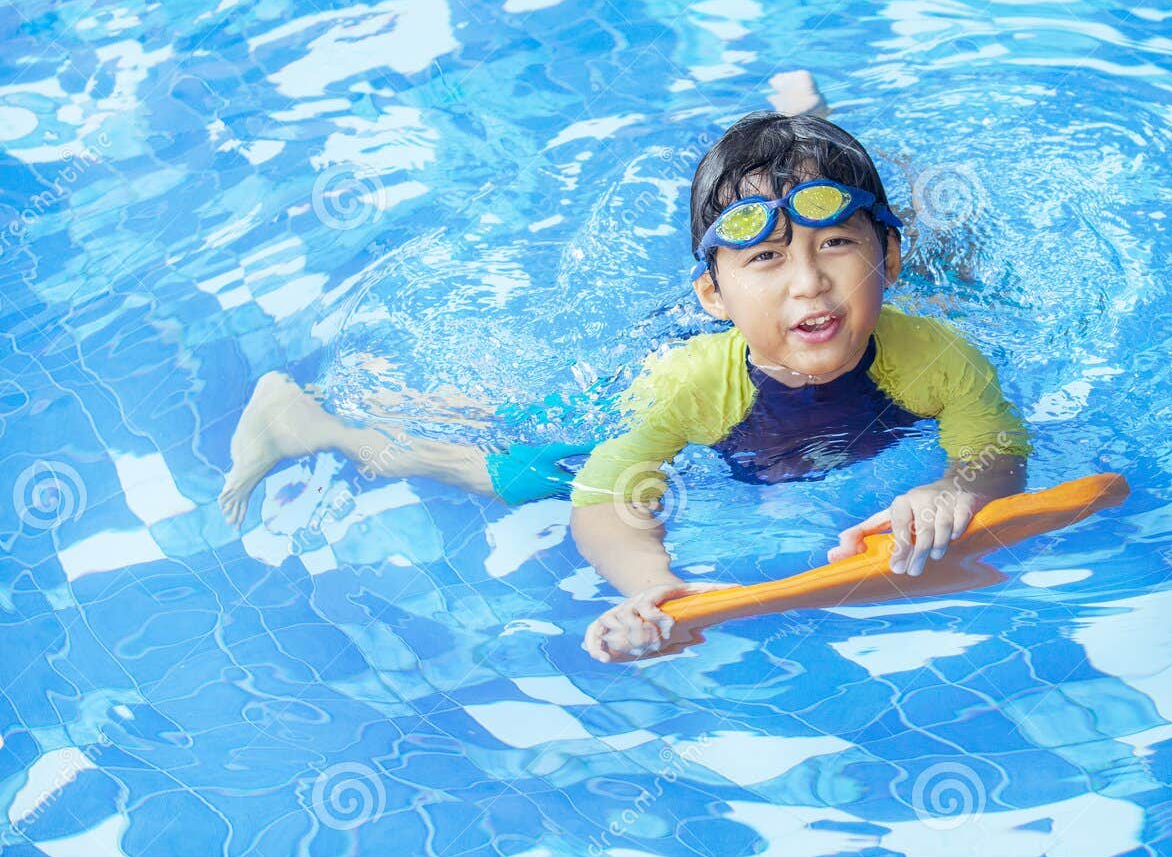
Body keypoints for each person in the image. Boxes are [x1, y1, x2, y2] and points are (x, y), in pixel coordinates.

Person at [217, 71, 1031, 662]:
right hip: (679, 391)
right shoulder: (691, 385)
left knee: (949, 265)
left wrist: (955, 491)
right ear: (713, 292)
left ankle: (813, 129)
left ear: (882, 255)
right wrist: (652, 579)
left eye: (839, 245)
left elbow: (996, 447)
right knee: (536, 459)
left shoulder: (938, 357)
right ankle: (303, 419)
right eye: (770, 257)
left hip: (863, 341)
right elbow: (607, 501)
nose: (810, 281)